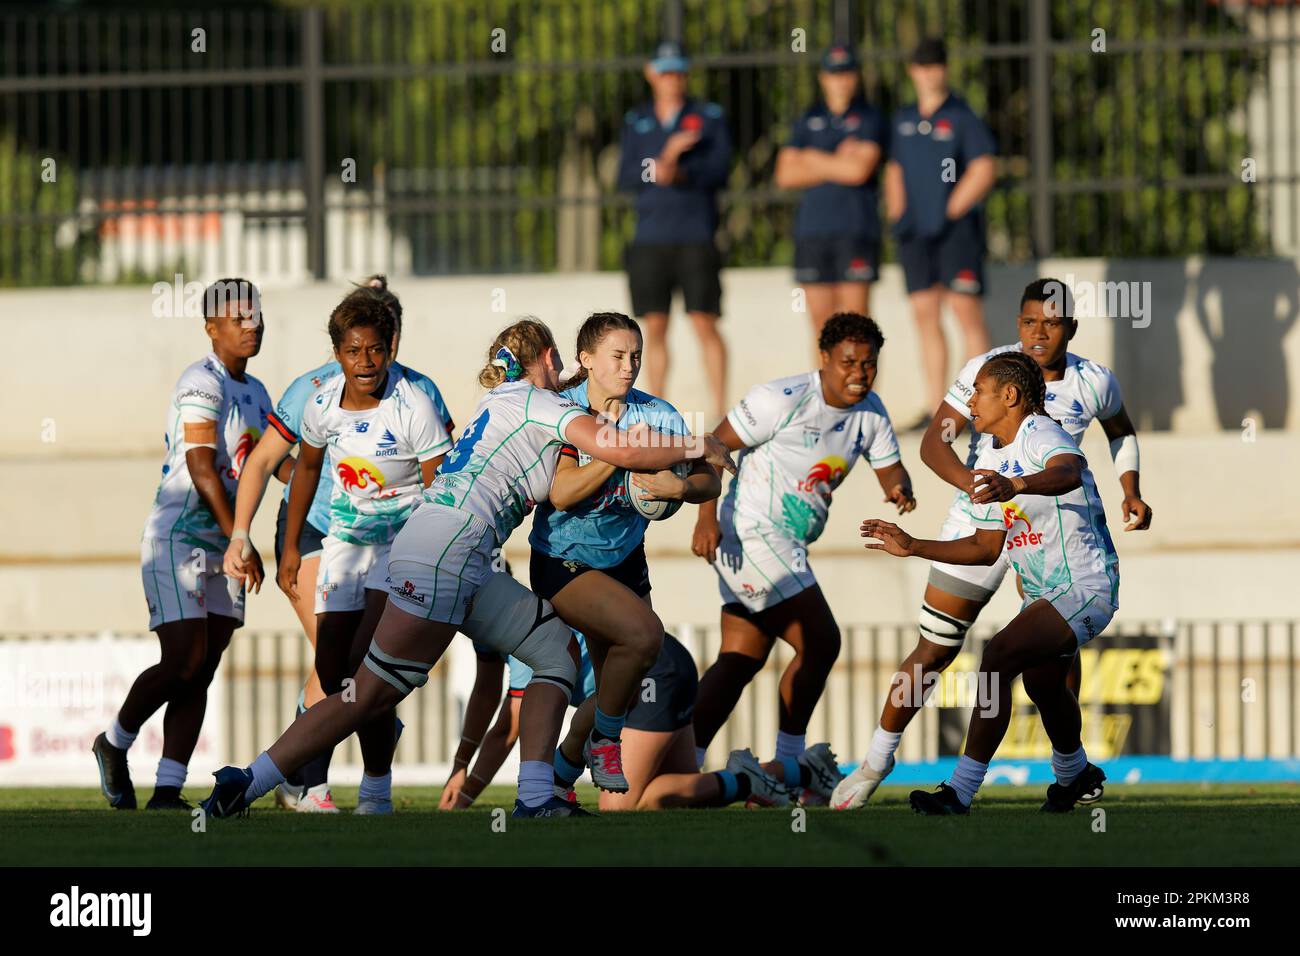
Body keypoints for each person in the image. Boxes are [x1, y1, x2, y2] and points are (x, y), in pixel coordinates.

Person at [199, 318, 736, 819]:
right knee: (369, 694)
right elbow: (618, 448)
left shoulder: (500, 397)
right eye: (561, 367)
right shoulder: (538, 403)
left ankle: (535, 797)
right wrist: (699, 442)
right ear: (548, 358)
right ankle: (248, 781)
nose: (568, 378)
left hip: (439, 547)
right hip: (448, 553)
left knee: (554, 650)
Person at [833, 278, 1153, 809]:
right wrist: (914, 545)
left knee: (1000, 655)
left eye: (977, 394)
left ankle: (959, 793)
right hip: (1039, 577)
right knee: (1040, 682)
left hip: (1084, 583)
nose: (968, 404)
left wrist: (1023, 486)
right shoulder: (990, 456)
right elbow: (984, 547)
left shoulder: (1044, 431)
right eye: (1028, 321)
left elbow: (1070, 468)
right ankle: (1071, 773)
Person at [222, 275, 455, 812]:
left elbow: (443, 479)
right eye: (357, 348)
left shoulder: (417, 395)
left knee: (358, 670)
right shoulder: (314, 392)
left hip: (395, 545)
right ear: (340, 349)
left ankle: (322, 783)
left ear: (393, 340)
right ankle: (312, 774)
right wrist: (246, 537)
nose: (370, 357)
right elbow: (274, 463)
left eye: (381, 345)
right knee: (338, 670)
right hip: (317, 537)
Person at [690, 312, 915, 800]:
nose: (859, 373)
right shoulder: (781, 398)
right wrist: (705, 518)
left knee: (740, 657)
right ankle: (790, 765)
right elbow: (712, 447)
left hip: (788, 545)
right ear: (825, 359)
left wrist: (900, 489)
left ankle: (683, 761)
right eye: (848, 362)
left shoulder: (871, 413)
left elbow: (891, 472)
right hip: (750, 533)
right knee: (822, 639)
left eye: (869, 364)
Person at [93, 278, 272, 811]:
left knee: (205, 663)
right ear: (211, 327)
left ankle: (168, 788)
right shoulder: (202, 378)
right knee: (184, 656)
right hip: (178, 536)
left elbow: (269, 464)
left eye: (256, 316)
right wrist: (240, 536)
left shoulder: (258, 392)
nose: (251, 325)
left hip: (225, 542)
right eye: (238, 318)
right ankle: (113, 742)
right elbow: (200, 466)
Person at [529, 311, 719, 794]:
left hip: (624, 559)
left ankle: (561, 772)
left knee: (624, 681)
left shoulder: (657, 414)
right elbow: (561, 493)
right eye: (618, 356)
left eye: (636, 356)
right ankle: (606, 742)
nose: (629, 365)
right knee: (644, 636)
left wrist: (678, 488)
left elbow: (708, 477)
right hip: (563, 559)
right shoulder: (561, 408)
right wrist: (625, 457)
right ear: (586, 360)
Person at [444, 633, 786, 812]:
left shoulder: (516, 631)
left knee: (626, 806)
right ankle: (786, 772)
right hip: (664, 662)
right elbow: (488, 696)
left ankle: (745, 780)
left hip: (651, 675)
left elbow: (509, 727)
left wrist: (467, 793)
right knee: (678, 790)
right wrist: (462, 769)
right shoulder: (497, 623)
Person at [617, 40, 732, 418]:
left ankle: (718, 410)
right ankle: (655, 409)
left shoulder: (708, 117)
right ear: (652, 74)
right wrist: (665, 159)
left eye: (678, 72)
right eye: (665, 72)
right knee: (654, 328)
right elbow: (626, 175)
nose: (672, 80)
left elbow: (720, 170)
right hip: (650, 239)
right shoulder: (638, 120)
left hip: (696, 235)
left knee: (705, 323)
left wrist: (681, 171)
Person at [886, 37, 996, 428]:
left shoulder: (962, 116)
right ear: (912, 70)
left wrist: (948, 210)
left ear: (945, 69)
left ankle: (979, 411)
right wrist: (899, 212)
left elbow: (984, 167)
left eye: (936, 65)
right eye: (922, 65)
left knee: (965, 312)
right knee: (924, 315)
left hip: (956, 233)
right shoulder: (902, 119)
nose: (930, 72)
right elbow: (895, 167)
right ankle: (938, 410)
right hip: (916, 234)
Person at [775, 45, 885, 348]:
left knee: (857, 324)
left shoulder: (869, 117)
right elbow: (785, 175)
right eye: (835, 74)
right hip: (813, 230)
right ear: (824, 78)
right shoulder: (807, 118)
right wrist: (836, 160)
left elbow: (858, 172)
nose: (841, 81)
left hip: (855, 228)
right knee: (822, 325)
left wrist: (810, 158)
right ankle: (826, 395)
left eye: (847, 73)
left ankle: (862, 396)